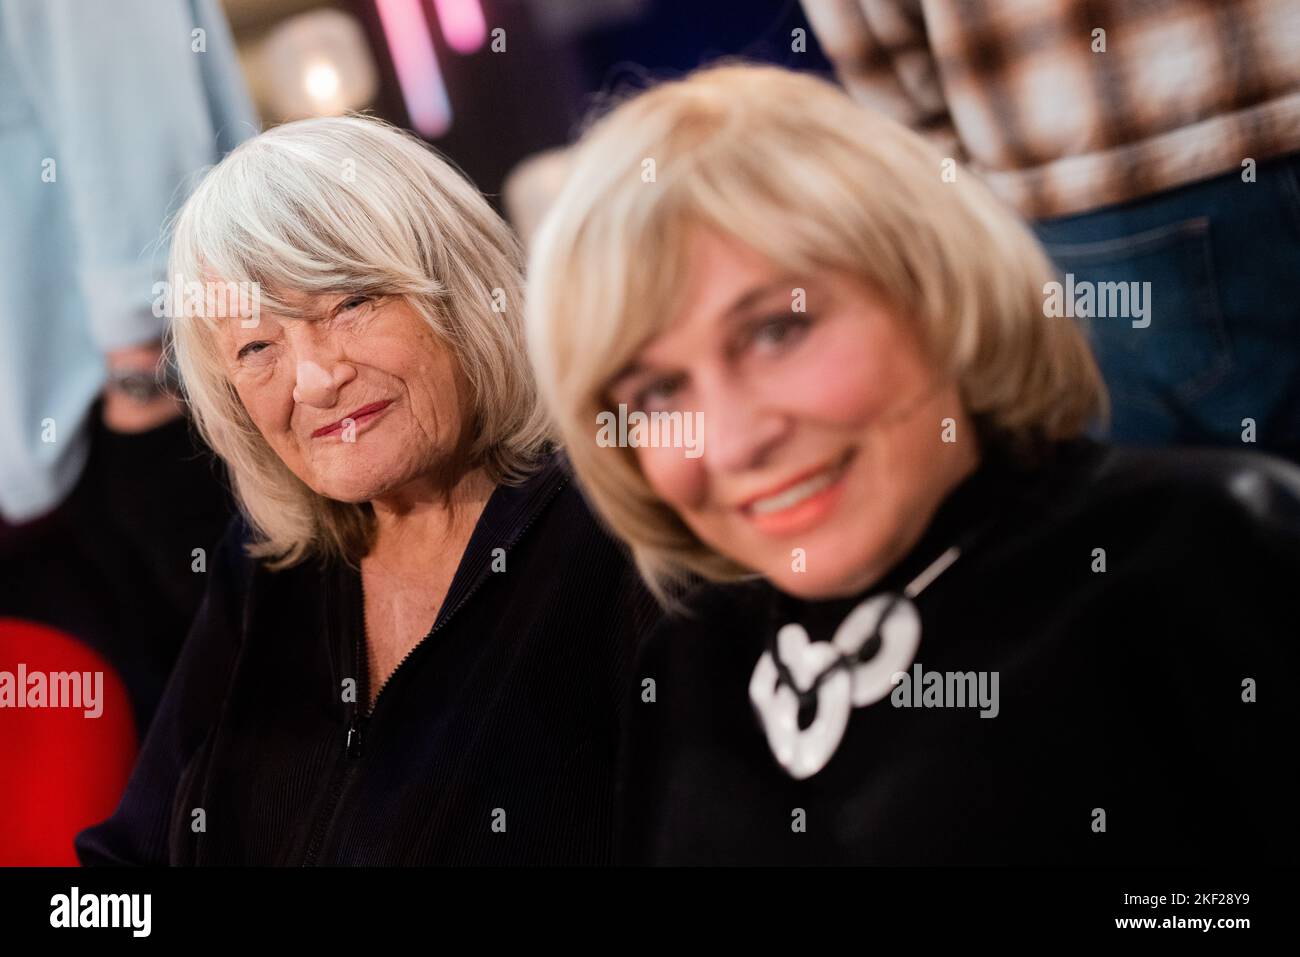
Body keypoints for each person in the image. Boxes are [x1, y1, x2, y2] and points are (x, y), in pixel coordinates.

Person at [524, 64, 1300, 864]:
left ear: (931, 286)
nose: (730, 441)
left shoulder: (1206, 554)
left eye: (775, 332)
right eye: (657, 391)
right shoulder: (692, 657)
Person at [76, 115, 658, 866]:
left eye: (349, 303)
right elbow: (122, 870)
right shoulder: (264, 568)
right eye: (258, 347)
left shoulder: (619, 521)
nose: (315, 381)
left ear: (462, 293)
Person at [800, 0, 1300, 459]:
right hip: (1120, 187)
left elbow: (873, 44)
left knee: (1206, 519)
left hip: (1100, 183)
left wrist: (958, 192)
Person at [0, 0, 257, 731]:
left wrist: (144, 370)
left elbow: (130, 121)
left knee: (239, 739)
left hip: (122, 413)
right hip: (72, 437)